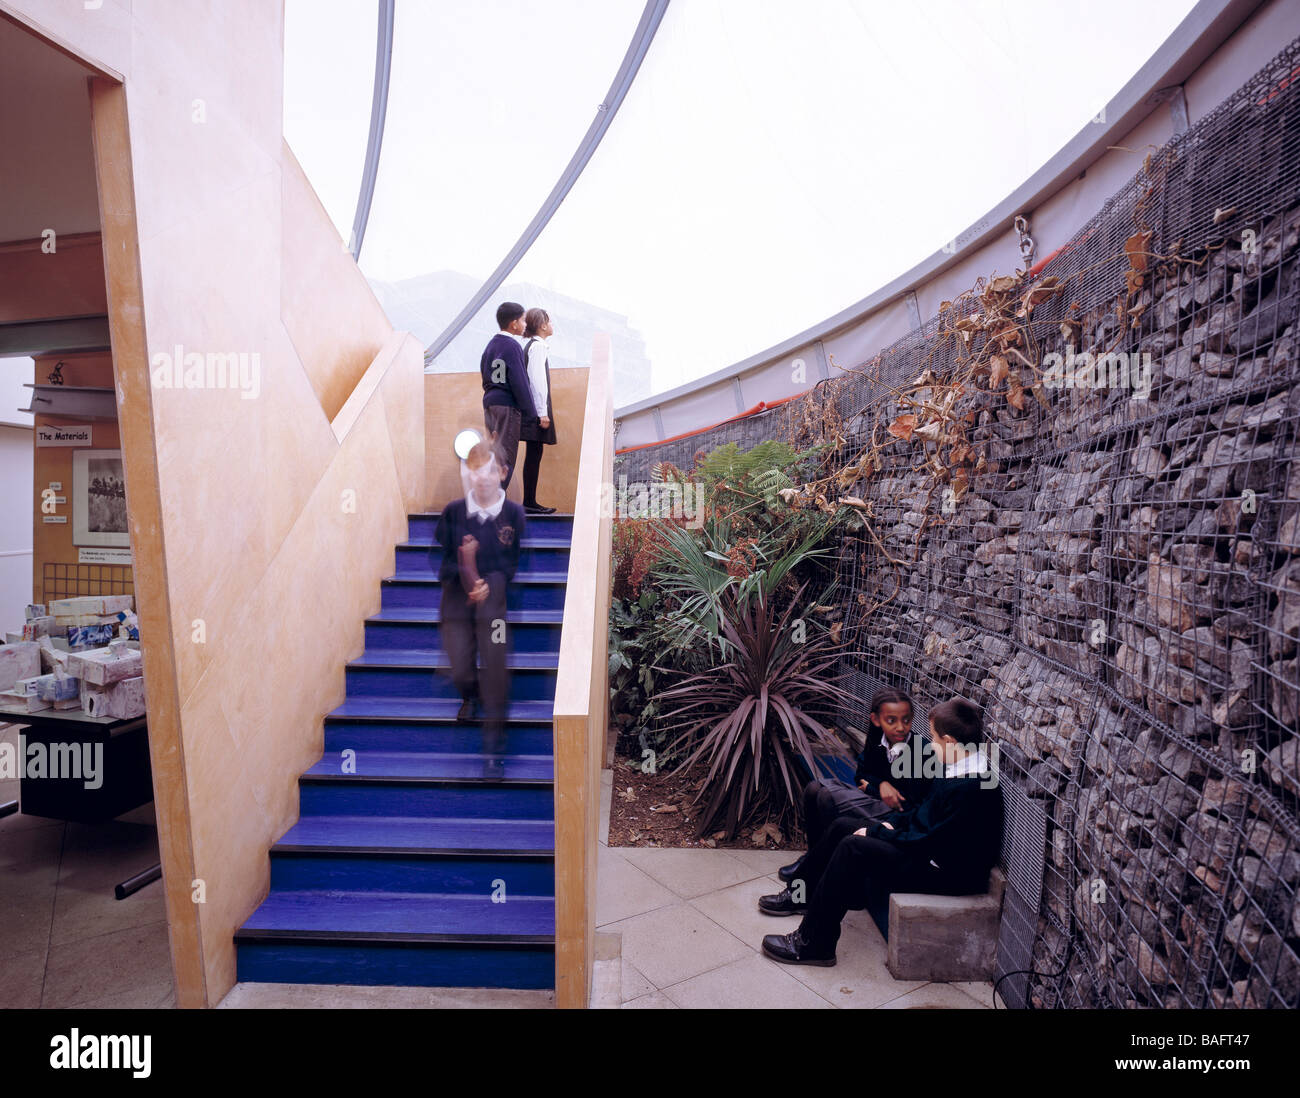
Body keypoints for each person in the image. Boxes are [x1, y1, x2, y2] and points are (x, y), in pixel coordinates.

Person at [759, 696, 1003, 967]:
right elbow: (925, 816)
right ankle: (801, 895)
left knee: (854, 846)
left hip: (946, 874)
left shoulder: (971, 788)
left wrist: (879, 834)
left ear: (950, 743)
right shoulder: (962, 769)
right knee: (843, 827)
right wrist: (890, 825)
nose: (931, 744)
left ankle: (814, 943)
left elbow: (930, 841)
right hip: (931, 852)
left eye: (934, 738)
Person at [770, 688, 930, 908]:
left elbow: (909, 801)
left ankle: (810, 877)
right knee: (814, 789)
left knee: (827, 796)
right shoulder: (878, 739)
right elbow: (861, 775)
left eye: (906, 720)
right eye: (891, 720)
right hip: (876, 802)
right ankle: (814, 859)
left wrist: (874, 788)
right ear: (875, 719)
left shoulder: (920, 751)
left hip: (896, 816)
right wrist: (880, 785)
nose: (900, 727)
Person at [433, 441, 526, 777]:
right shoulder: (453, 513)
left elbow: (517, 562)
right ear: (469, 474)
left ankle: (495, 748)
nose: (482, 478)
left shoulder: (514, 515)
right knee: (459, 666)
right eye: (476, 471)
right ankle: (469, 695)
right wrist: (464, 575)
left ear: (501, 473)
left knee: (497, 667)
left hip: (495, 606)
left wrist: (493, 584)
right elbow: (438, 560)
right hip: (457, 603)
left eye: (489, 470)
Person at [481, 302, 537, 491]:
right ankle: (493, 501)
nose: (524, 325)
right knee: (505, 456)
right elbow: (519, 380)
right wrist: (530, 412)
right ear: (514, 323)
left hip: (490, 403)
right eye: (522, 320)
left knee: (494, 453)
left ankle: (490, 498)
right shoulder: (512, 346)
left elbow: (484, 373)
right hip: (507, 406)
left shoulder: (490, 346)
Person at [520, 307, 557, 515]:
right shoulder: (538, 347)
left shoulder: (532, 346)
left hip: (533, 409)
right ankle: (529, 502)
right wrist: (542, 412)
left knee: (534, 453)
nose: (552, 325)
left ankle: (530, 501)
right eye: (549, 321)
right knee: (534, 454)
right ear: (542, 325)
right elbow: (537, 381)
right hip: (536, 411)